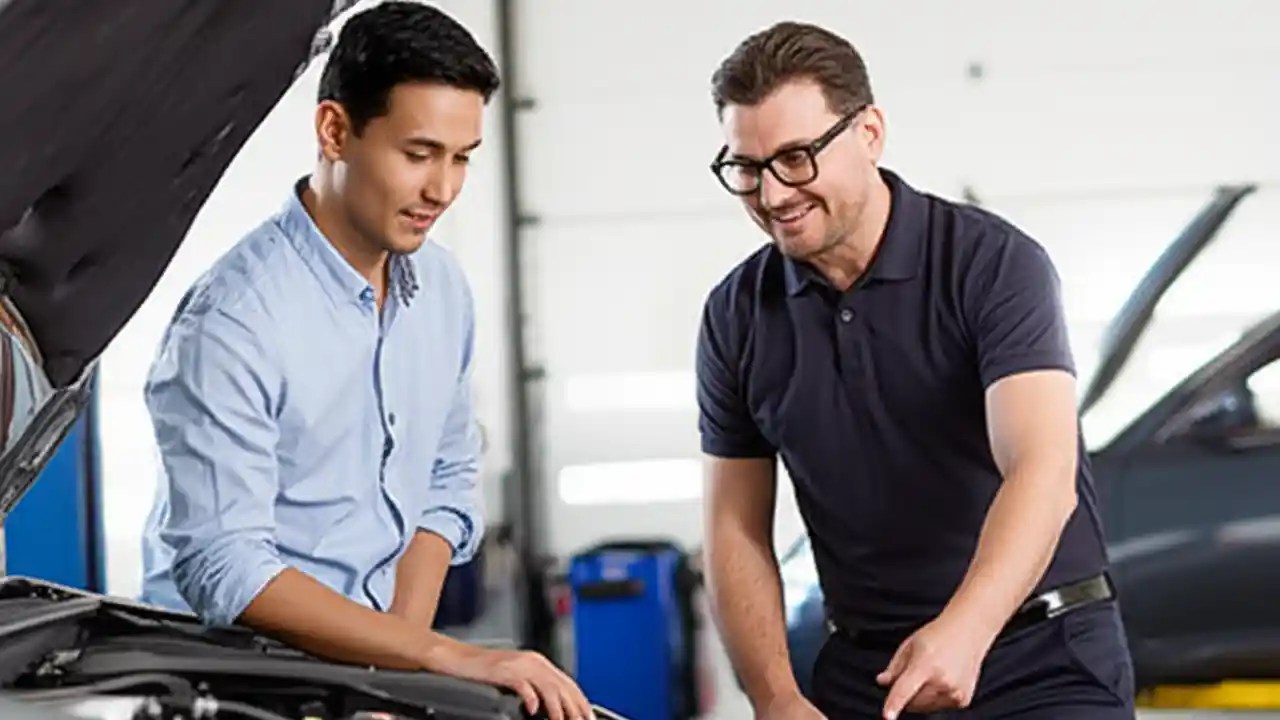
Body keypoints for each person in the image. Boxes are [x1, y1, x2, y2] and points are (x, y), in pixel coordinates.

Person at [137, 4, 592, 718]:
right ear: (335, 130)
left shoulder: (441, 291)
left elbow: (445, 484)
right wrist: (441, 656)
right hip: (230, 685)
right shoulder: (234, 319)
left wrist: (393, 670)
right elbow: (225, 564)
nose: (442, 190)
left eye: (462, 157)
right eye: (418, 154)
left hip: (364, 678)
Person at [697, 21, 1135, 720]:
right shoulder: (735, 315)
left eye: (796, 158)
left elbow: (1042, 473)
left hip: (1041, 660)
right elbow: (734, 530)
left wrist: (965, 632)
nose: (773, 194)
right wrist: (775, 695)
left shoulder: (992, 266)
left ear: (868, 132)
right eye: (746, 168)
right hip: (865, 673)